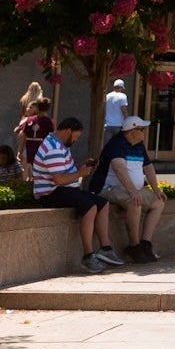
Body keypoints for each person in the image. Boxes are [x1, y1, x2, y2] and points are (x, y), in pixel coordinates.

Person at [32, 117, 123, 273]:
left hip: (64, 189)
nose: (76, 140)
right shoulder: (52, 148)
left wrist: (81, 166)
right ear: (68, 131)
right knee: (90, 207)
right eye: (76, 136)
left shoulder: (59, 145)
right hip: (51, 192)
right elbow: (59, 179)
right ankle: (88, 256)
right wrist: (80, 173)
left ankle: (106, 248)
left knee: (102, 203)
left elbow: (64, 171)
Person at [90, 116, 164, 263]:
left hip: (131, 189)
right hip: (109, 188)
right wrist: (133, 192)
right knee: (135, 201)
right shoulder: (117, 143)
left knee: (159, 202)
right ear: (132, 131)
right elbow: (119, 168)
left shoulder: (138, 145)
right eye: (142, 129)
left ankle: (145, 244)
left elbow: (148, 167)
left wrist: (156, 190)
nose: (144, 133)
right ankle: (134, 246)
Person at [15, 98, 53, 172]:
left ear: (37, 108)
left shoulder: (29, 120)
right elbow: (51, 137)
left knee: (26, 168)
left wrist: (20, 150)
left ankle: (26, 182)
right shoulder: (48, 121)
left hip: (29, 148)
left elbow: (22, 135)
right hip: (42, 149)